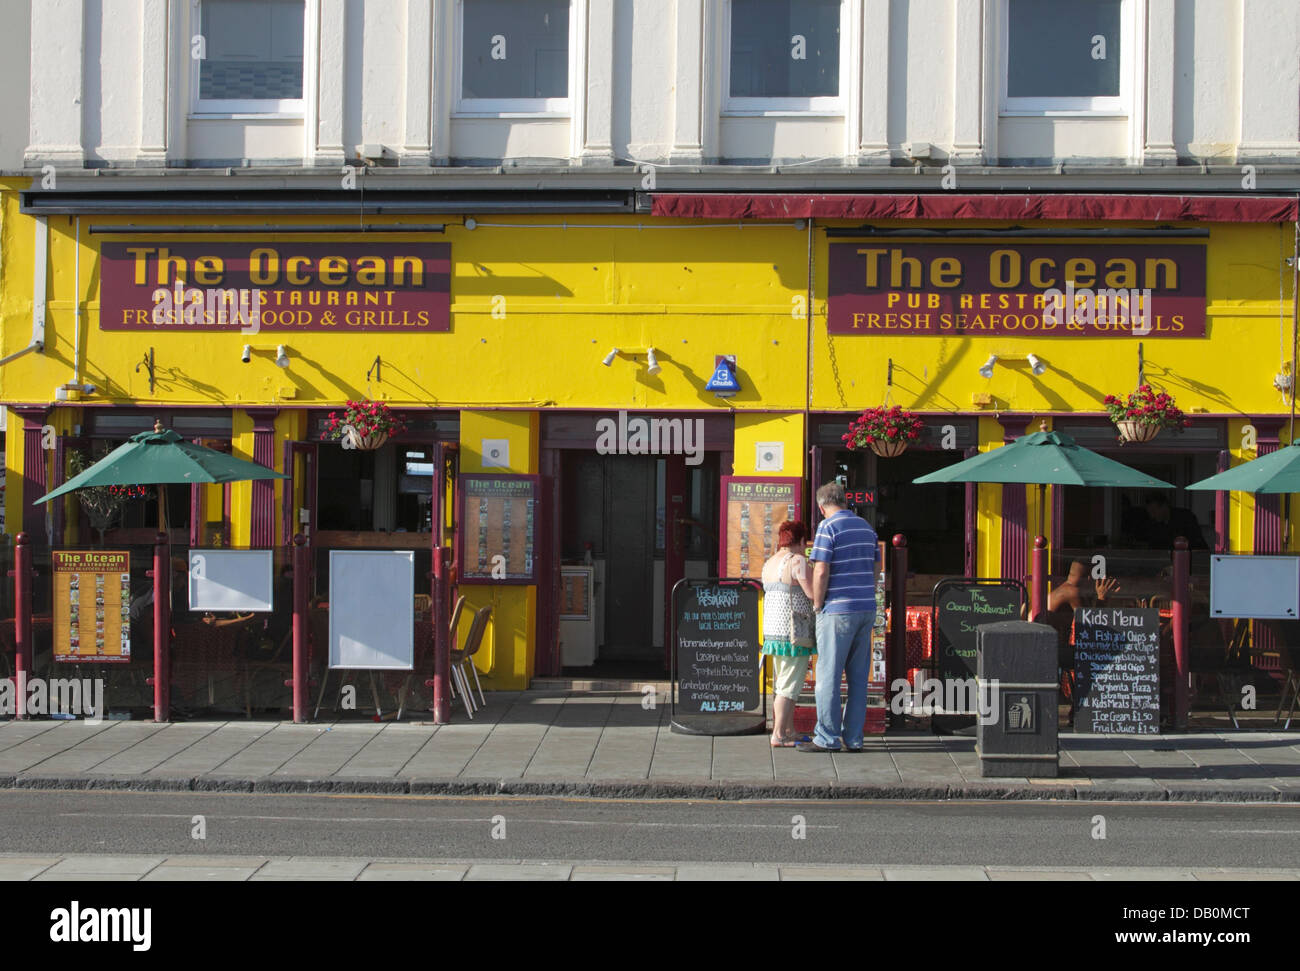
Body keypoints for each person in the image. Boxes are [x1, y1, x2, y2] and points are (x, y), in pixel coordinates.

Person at [799, 481, 878, 754]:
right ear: (843, 500)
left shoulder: (828, 527)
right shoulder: (867, 528)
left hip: (837, 609)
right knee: (858, 679)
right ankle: (854, 738)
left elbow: (821, 571)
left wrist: (818, 604)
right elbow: (875, 568)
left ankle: (827, 737)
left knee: (829, 676)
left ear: (822, 507)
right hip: (866, 607)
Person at [760, 520, 816, 747]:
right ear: (801, 540)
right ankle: (779, 734)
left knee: (783, 682)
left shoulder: (770, 562)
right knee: (789, 685)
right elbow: (812, 592)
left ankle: (788, 729)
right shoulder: (797, 561)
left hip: (773, 632)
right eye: (805, 542)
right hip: (795, 631)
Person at [1142, 493, 1208, 550]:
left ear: (1164, 506)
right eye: (1149, 513)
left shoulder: (1185, 517)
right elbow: (1153, 547)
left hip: (1191, 558)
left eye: (1154, 511)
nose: (1152, 516)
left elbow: (1196, 542)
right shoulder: (1153, 524)